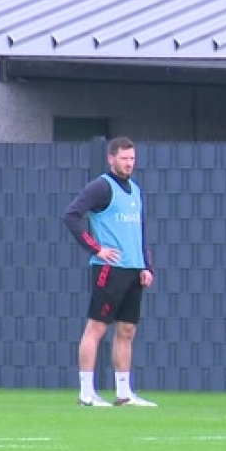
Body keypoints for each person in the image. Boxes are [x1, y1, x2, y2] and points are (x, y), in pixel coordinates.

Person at [63, 137, 157, 407]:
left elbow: (139, 233)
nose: (129, 164)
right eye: (124, 158)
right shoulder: (101, 187)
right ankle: (86, 393)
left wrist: (146, 266)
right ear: (111, 159)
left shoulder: (136, 190)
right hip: (109, 268)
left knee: (127, 330)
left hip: (133, 270)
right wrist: (96, 248)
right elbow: (71, 216)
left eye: (132, 159)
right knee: (97, 328)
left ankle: (124, 393)